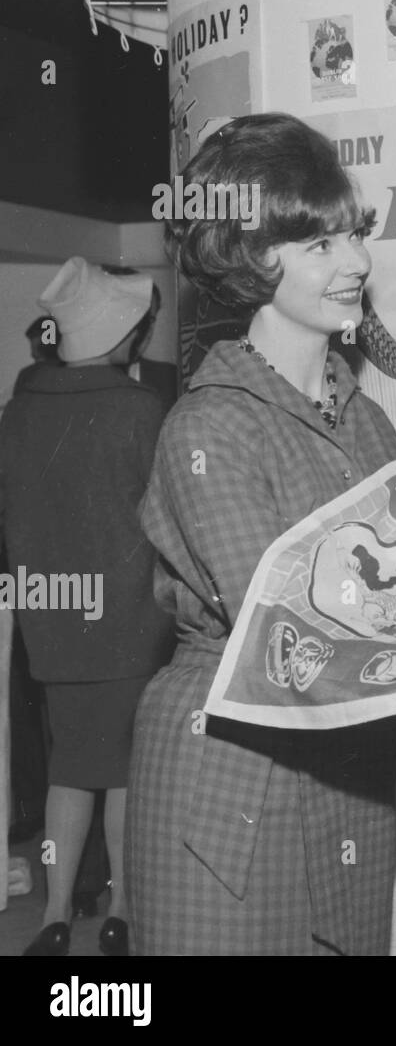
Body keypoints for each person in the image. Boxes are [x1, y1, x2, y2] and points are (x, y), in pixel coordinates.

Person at [126, 113, 396, 955]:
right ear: (254, 256)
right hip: (231, 788)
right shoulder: (209, 427)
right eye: (319, 244)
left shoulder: (374, 427)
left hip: (349, 779)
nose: (355, 260)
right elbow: (291, 628)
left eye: (353, 231)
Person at [0, 259, 173, 956]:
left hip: (53, 623)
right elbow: (166, 519)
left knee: (70, 765)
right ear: (125, 332)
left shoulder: (19, 410)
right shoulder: (140, 410)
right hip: (131, 621)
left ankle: (53, 915)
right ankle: (119, 914)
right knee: (127, 770)